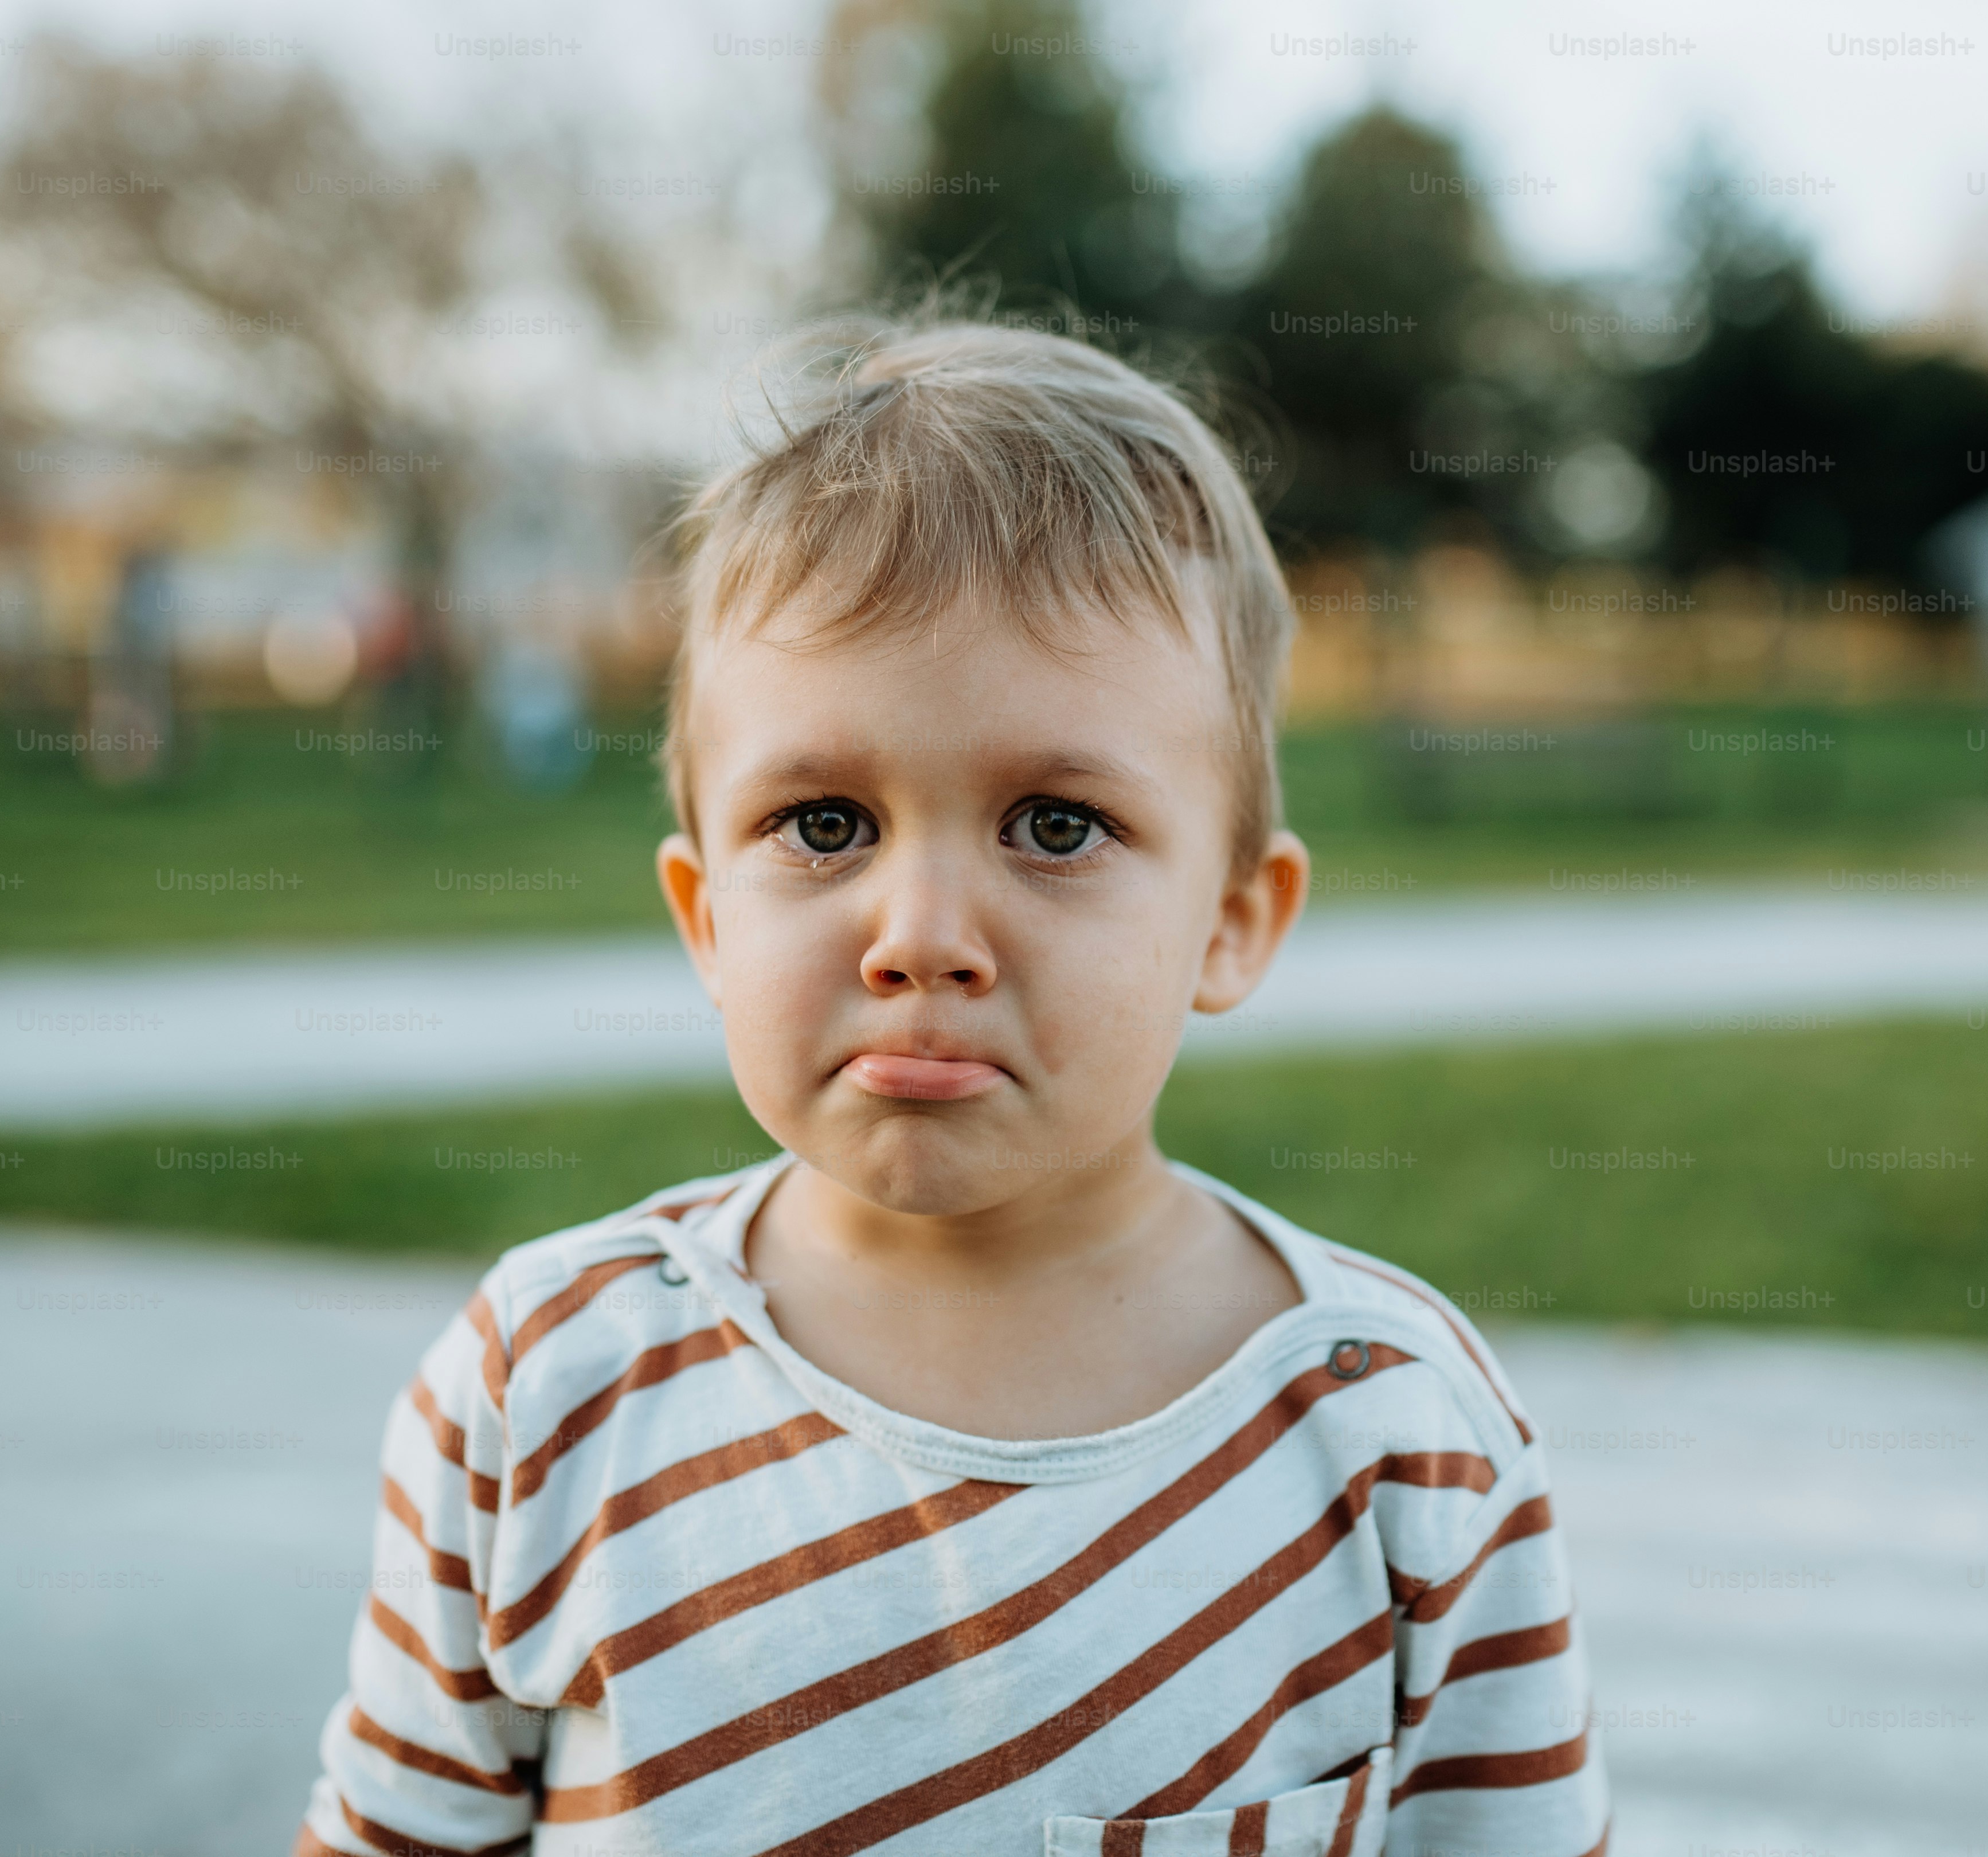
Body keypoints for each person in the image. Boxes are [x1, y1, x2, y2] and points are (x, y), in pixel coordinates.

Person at [294, 322, 1611, 1857]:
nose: (918, 935)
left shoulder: (1392, 1439)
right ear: (706, 916)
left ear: (1233, 919)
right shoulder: (546, 1387)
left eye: (1055, 826)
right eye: (826, 823)